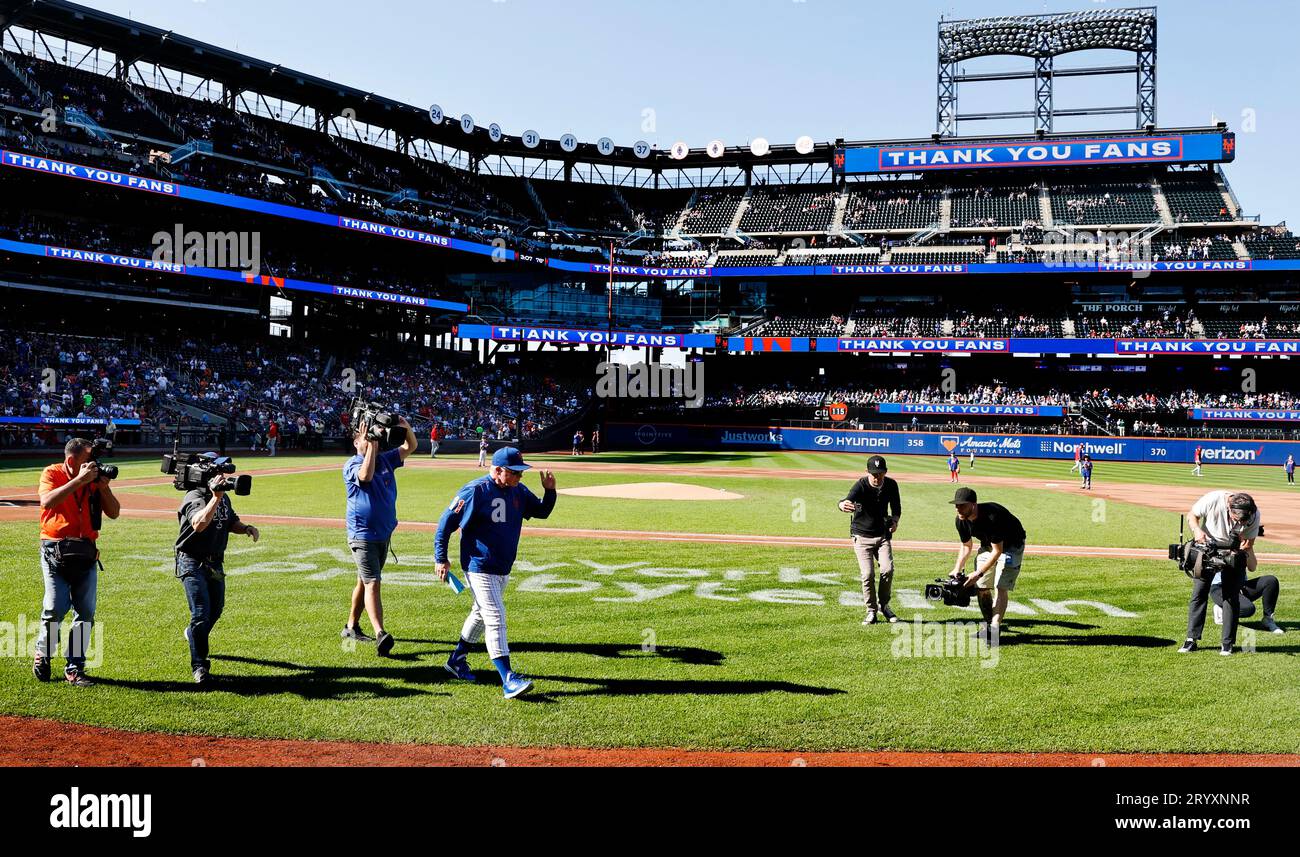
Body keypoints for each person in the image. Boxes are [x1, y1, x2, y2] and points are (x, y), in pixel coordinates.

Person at [435, 448, 557, 698]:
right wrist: (441, 558)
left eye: (521, 474)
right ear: (498, 470)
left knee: (480, 614)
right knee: (495, 616)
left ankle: (457, 659)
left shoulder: (518, 491)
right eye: (515, 473)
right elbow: (445, 524)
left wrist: (550, 491)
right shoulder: (475, 491)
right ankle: (508, 678)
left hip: (502, 566)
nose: (519, 478)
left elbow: (542, 511)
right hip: (479, 565)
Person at [34, 438, 121, 687]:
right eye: (88, 461)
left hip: (85, 553)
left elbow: (114, 512)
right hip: (55, 551)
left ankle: (75, 667)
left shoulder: (93, 480)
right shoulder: (52, 472)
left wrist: (103, 487)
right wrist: (79, 481)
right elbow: (47, 501)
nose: (93, 465)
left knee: (85, 613)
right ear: (72, 460)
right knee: (54, 608)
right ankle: (43, 654)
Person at [175, 456, 260, 685]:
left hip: (215, 562)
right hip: (192, 560)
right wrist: (215, 497)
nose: (223, 476)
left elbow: (230, 521)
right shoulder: (194, 497)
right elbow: (199, 524)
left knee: (216, 609)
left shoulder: (224, 499)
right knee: (201, 613)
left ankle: (194, 634)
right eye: (218, 472)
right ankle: (200, 666)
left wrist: (246, 528)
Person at [341, 414, 417, 656]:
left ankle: (351, 626)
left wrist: (406, 427)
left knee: (363, 582)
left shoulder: (386, 459)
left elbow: (410, 447)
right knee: (373, 582)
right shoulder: (351, 465)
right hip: (362, 535)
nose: (370, 440)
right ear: (356, 443)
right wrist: (371, 444)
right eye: (364, 438)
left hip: (382, 534)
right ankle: (380, 633)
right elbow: (366, 476)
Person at [1179, 491, 1260, 655]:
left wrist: (1238, 550)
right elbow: (1192, 515)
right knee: (1199, 593)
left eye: (1244, 520)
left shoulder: (1254, 513)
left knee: (1231, 596)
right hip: (1208, 549)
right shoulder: (1213, 499)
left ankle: (1227, 643)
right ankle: (1191, 639)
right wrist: (1196, 531)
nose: (1241, 522)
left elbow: (1249, 543)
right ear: (1229, 508)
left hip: (1233, 553)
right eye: (1237, 519)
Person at [948, 487, 1027, 642]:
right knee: (982, 587)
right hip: (988, 544)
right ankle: (989, 626)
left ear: (973, 504)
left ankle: (995, 629)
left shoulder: (992, 516)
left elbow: (998, 551)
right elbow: (966, 546)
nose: (958, 508)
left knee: (1000, 586)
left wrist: (978, 573)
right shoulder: (961, 520)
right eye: (956, 505)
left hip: (1012, 545)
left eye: (962, 505)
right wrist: (957, 568)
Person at [838, 455, 902, 625]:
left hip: (882, 536)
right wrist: (842, 505)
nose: (876, 477)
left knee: (887, 570)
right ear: (867, 472)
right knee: (867, 574)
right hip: (861, 535)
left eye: (880, 473)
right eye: (873, 473)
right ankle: (871, 611)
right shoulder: (861, 484)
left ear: (885, 472)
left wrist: (895, 522)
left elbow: (896, 508)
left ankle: (884, 606)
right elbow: (846, 499)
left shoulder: (891, 485)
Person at [1212, 574, 1284, 635]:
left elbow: (1252, 567)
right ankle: (1223, 608)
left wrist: (1248, 556)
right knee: (1248, 609)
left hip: (1241, 586)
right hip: (1220, 587)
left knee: (1271, 581)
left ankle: (1268, 619)